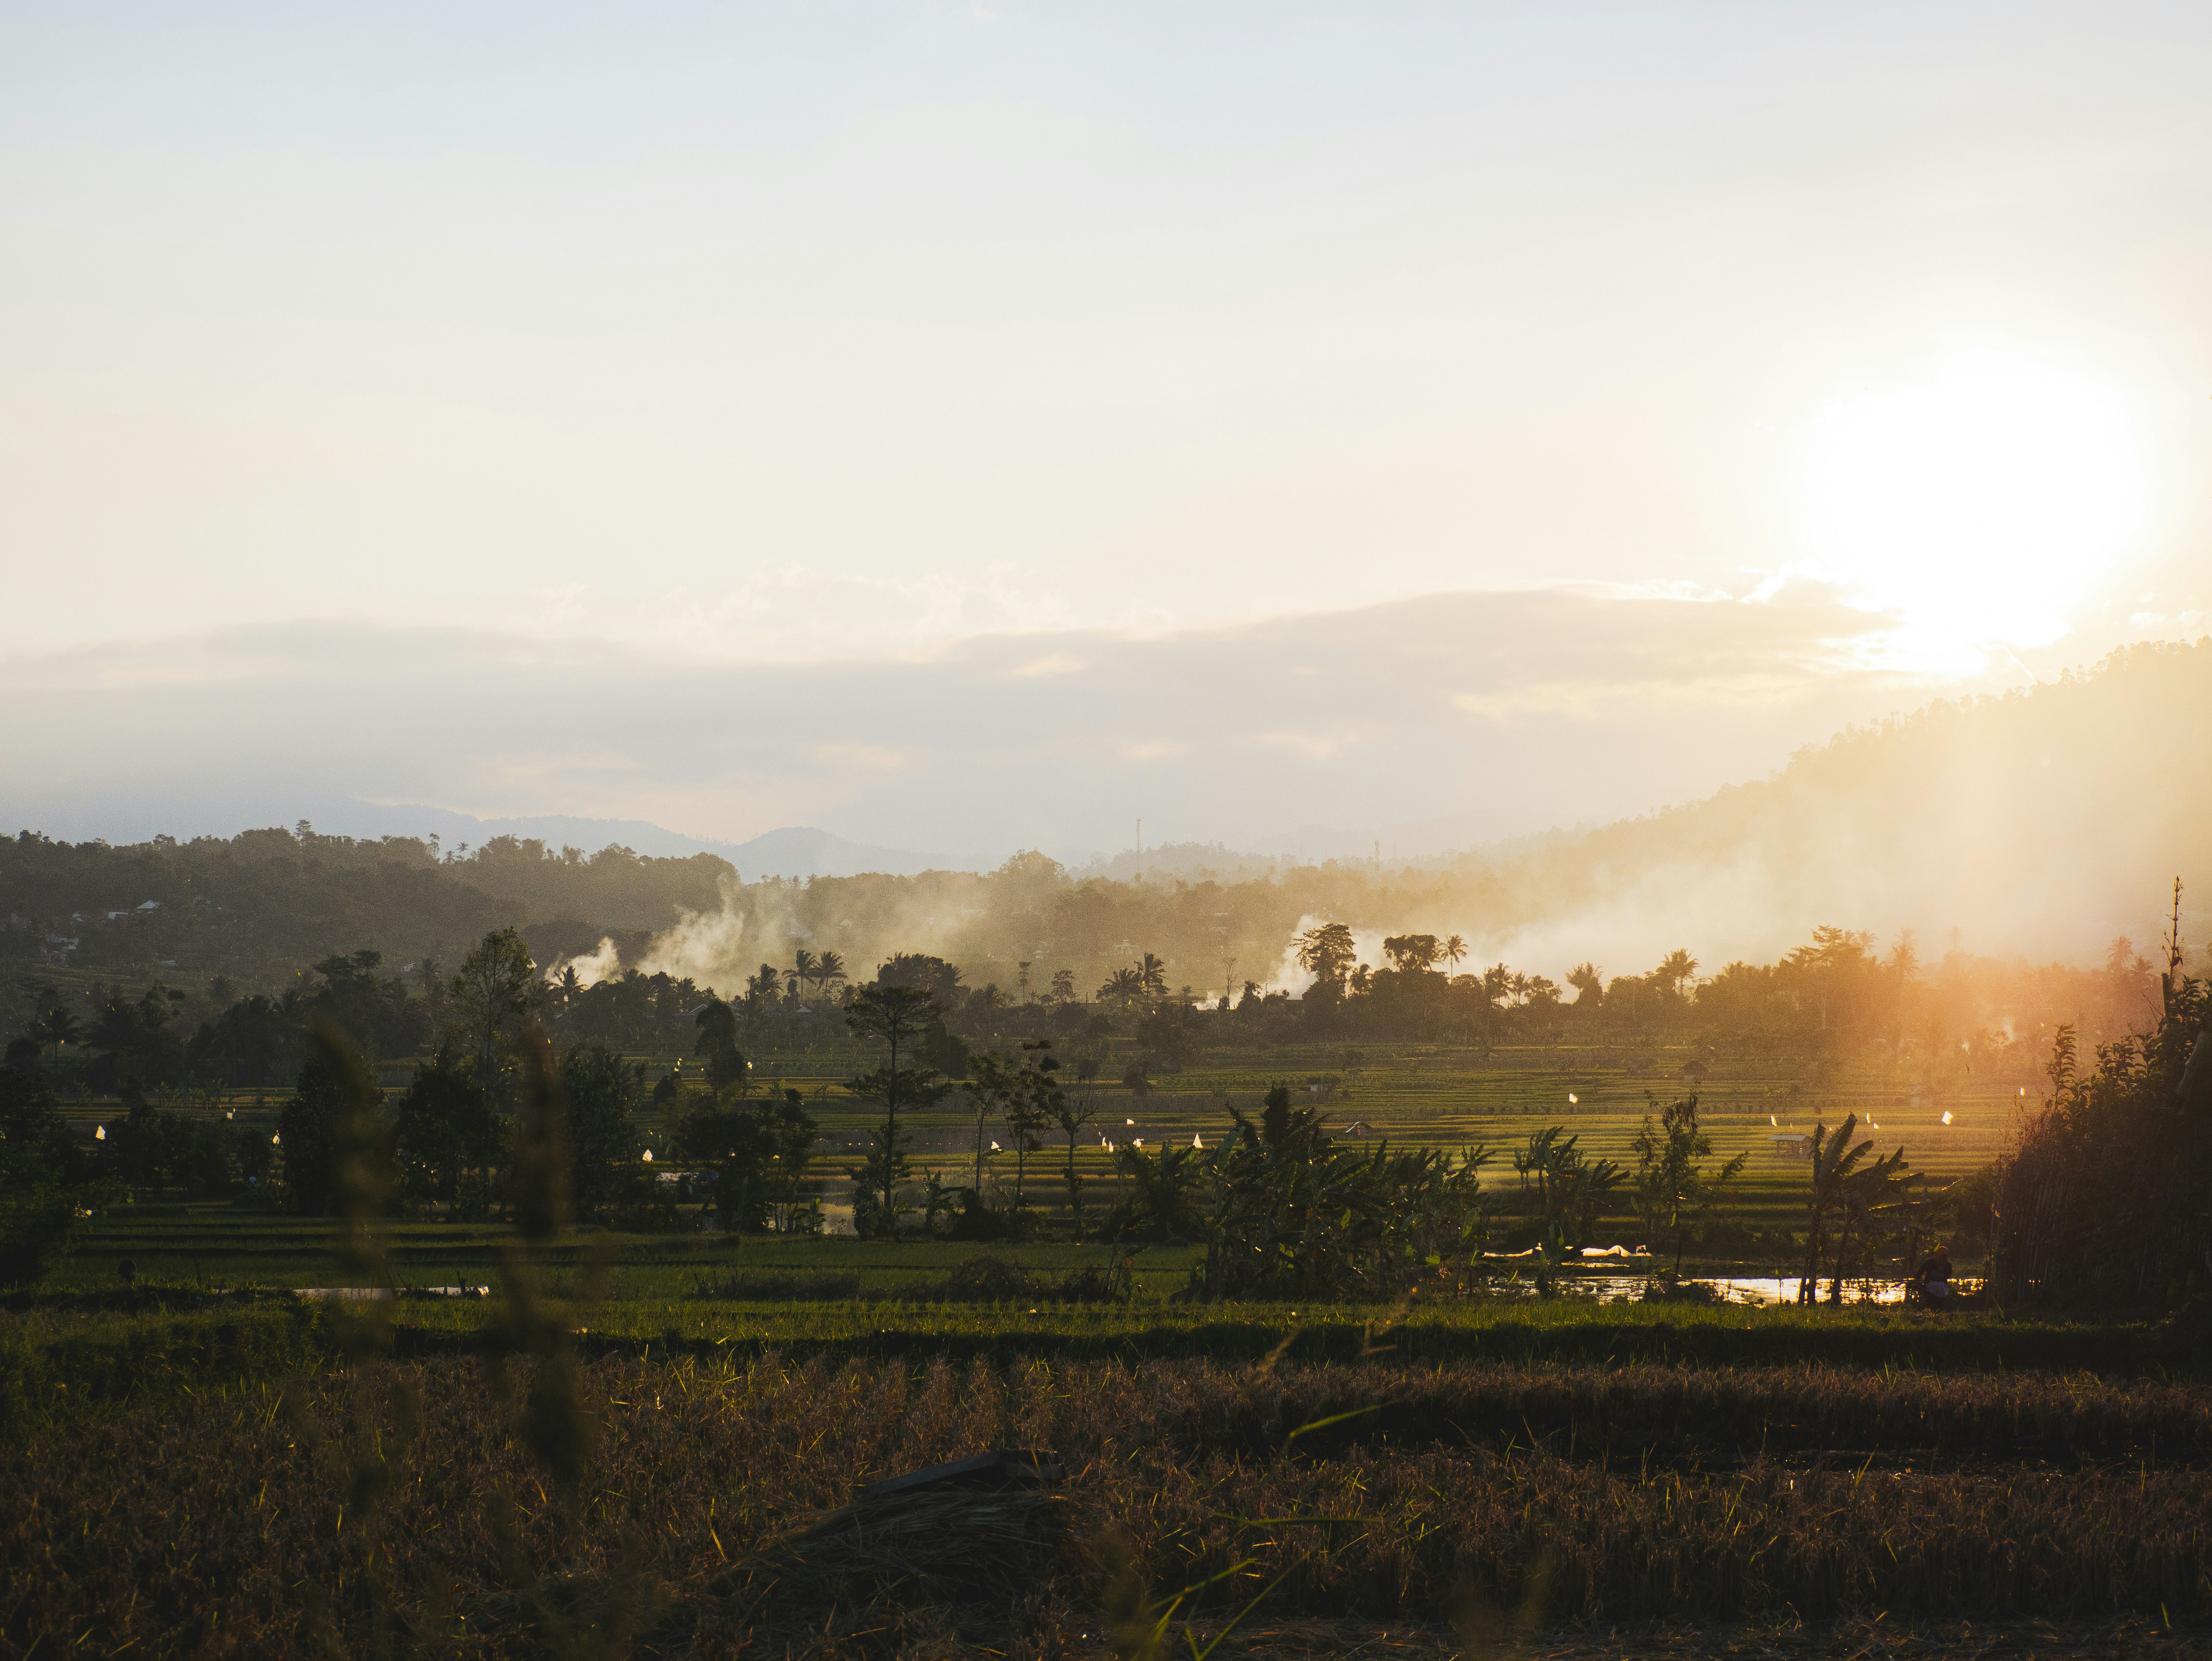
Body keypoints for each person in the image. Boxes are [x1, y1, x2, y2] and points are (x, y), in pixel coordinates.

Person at [1911, 1243, 1954, 1308]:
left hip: (1942, 1287)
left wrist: (1939, 1277)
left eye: (1944, 1257)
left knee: (1940, 1304)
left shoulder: (1948, 1265)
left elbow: (1947, 1276)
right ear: (1937, 1255)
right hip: (1930, 1285)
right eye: (1940, 1256)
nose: (1941, 1259)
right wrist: (1916, 1280)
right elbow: (1920, 1272)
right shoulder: (1929, 1262)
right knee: (1932, 1304)